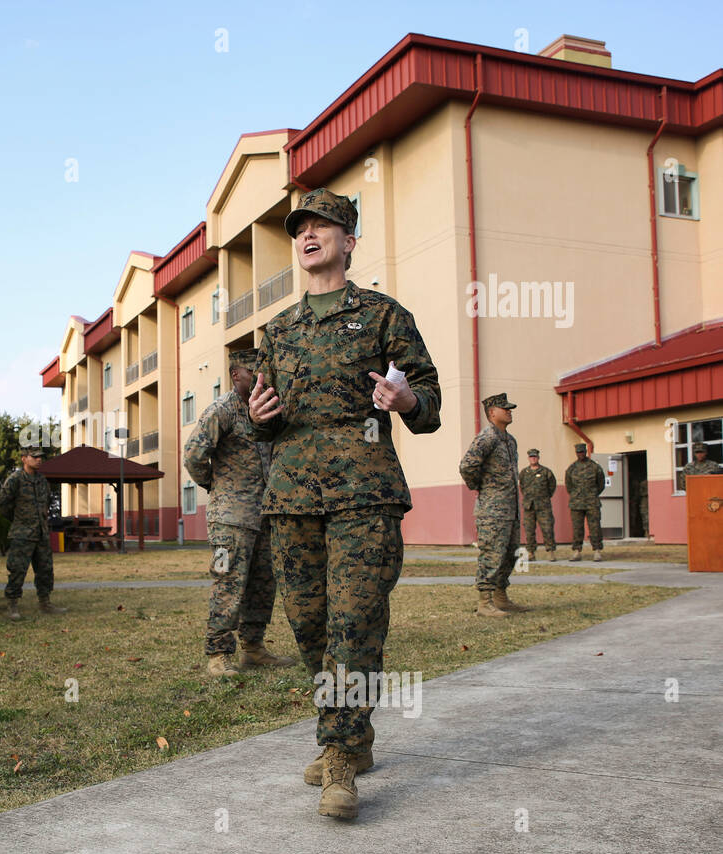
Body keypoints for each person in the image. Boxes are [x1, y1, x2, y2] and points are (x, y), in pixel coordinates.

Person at [247, 188, 441, 820]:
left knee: (354, 625)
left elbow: (430, 401)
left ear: (348, 241)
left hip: (365, 493)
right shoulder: (277, 330)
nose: (307, 234)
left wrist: (405, 402)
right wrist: (259, 416)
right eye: (299, 227)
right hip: (292, 497)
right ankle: (349, 736)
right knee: (309, 627)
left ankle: (340, 754)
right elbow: (265, 422)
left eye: (321, 225)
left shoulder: (384, 316)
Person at [183, 348, 288, 675]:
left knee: (262, 584)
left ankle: (253, 648)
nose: (261, 380)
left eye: (264, 374)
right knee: (228, 583)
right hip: (230, 520)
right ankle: (218, 653)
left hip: (264, 517)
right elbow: (193, 457)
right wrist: (218, 488)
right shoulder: (222, 411)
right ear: (235, 375)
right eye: (253, 373)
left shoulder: (267, 412)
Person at [459, 394, 524, 616]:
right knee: (492, 554)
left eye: (510, 408)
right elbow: (467, 466)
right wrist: (481, 487)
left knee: (510, 553)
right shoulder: (487, 437)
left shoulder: (510, 440)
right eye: (504, 408)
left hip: (511, 509)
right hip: (492, 510)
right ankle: (484, 602)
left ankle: (501, 596)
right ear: (491, 412)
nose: (509, 411)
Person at [0, 445, 66, 619]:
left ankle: (45, 602)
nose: (39, 459)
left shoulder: (42, 481)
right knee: (18, 569)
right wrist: (19, 520)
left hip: (41, 532)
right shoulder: (15, 479)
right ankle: (12, 605)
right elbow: (3, 504)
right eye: (34, 457)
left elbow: (47, 502)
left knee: (45, 569)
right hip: (22, 533)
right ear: (24, 459)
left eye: (40, 457)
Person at [565, 443, 605, 561]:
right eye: (578, 452)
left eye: (582, 452)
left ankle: (597, 551)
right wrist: (576, 495)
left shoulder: (594, 467)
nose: (580, 454)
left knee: (595, 527)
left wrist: (592, 494)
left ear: (585, 452)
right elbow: (569, 486)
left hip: (592, 502)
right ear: (576, 453)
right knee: (577, 528)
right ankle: (577, 551)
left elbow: (601, 484)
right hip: (576, 503)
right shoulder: (571, 468)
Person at [519, 447, 558, 561]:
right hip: (529, 506)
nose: (533, 459)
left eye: (535, 457)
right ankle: (531, 553)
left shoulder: (546, 472)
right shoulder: (524, 473)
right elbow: (522, 487)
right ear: (528, 458)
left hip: (543, 506)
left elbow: (552, 486)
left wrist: (544, 497)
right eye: (531, 457)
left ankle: (550, 551)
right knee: (529, 530)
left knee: (547, 529)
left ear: (538, 458)